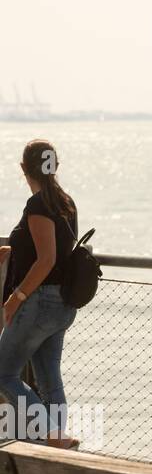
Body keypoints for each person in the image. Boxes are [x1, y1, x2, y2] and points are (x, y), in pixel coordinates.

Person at [0, 140, 80, 448]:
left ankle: (52, 435)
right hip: (63, 303)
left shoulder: (37, 205)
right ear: (55, 166)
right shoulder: (65, 202)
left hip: (39, 302)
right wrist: (14, 250)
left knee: (4, 373)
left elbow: (46, 260)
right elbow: (54, 250)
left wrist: (15, 297)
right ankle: (55, 444)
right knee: (49, 379)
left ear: (23, 169)